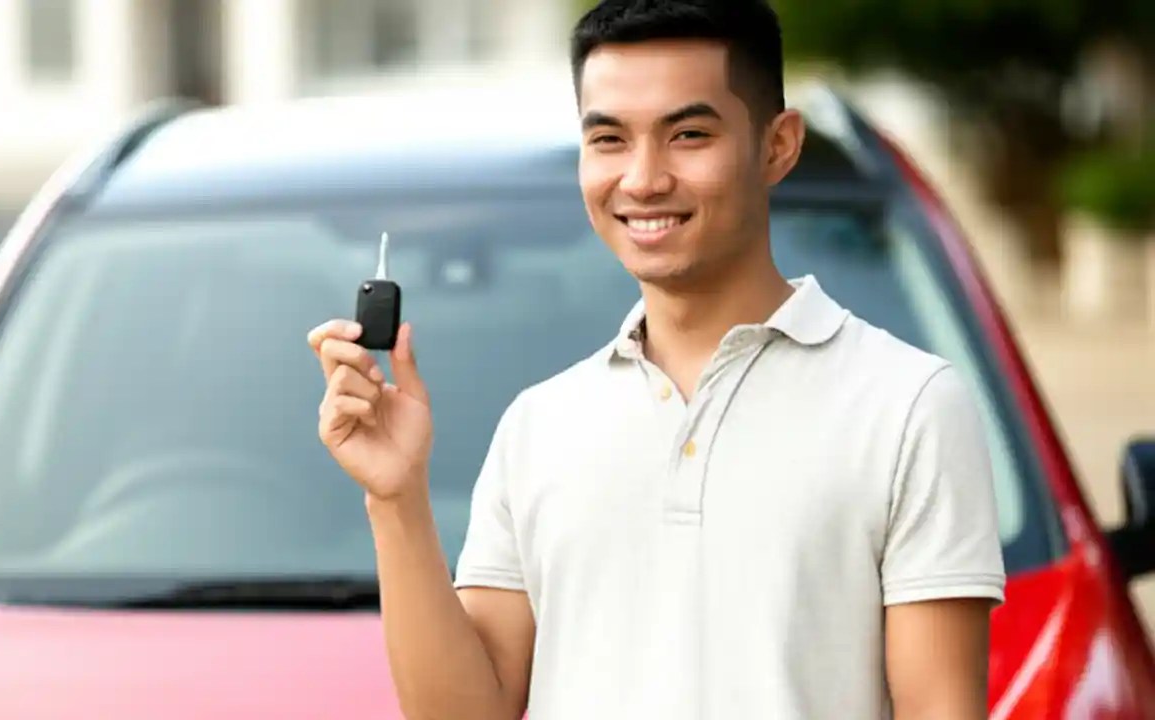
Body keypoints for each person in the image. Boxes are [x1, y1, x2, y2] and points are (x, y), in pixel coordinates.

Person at [306, 0, 1006, 717]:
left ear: (778, 146)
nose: (642, 179)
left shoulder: (907, 403)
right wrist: (395, 500)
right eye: (609, 140)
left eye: (689, 135)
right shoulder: (538, 426)